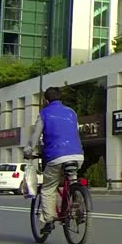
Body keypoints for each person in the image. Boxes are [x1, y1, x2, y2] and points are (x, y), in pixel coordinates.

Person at [23, 87, 84, 234]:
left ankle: (49, 220)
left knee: (48, 188)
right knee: (72, 179)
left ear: (46, 100)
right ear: (60, 97)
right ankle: (77, 203)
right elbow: (75, 131)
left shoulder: (44, 114)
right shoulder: (72, 112)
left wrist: (29, 150)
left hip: (56, 156)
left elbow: (35, 136)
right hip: (77, 155)